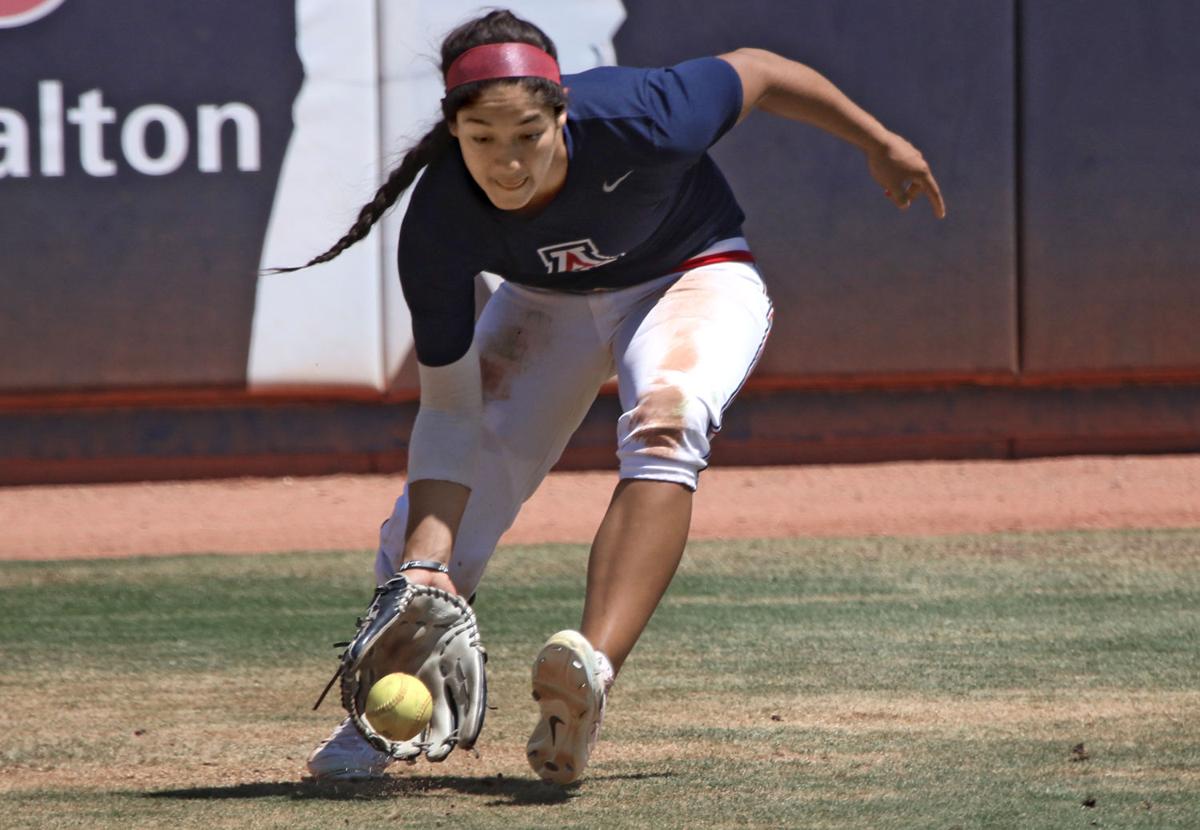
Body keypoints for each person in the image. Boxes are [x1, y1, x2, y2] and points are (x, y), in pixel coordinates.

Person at [298, 9, 945, 784]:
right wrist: (428, 565)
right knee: (425, 543)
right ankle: (377, 719)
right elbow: (448, 410)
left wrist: (878, 141)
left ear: (561, 112)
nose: (507, 163)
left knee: (667, 419)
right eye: (483, 140)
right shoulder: (440, 219)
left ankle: (589, 676)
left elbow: (763, 69)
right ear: (453, 131)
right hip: (546, 301)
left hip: (689, 271)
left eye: (527, 135)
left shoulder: (649, 115)